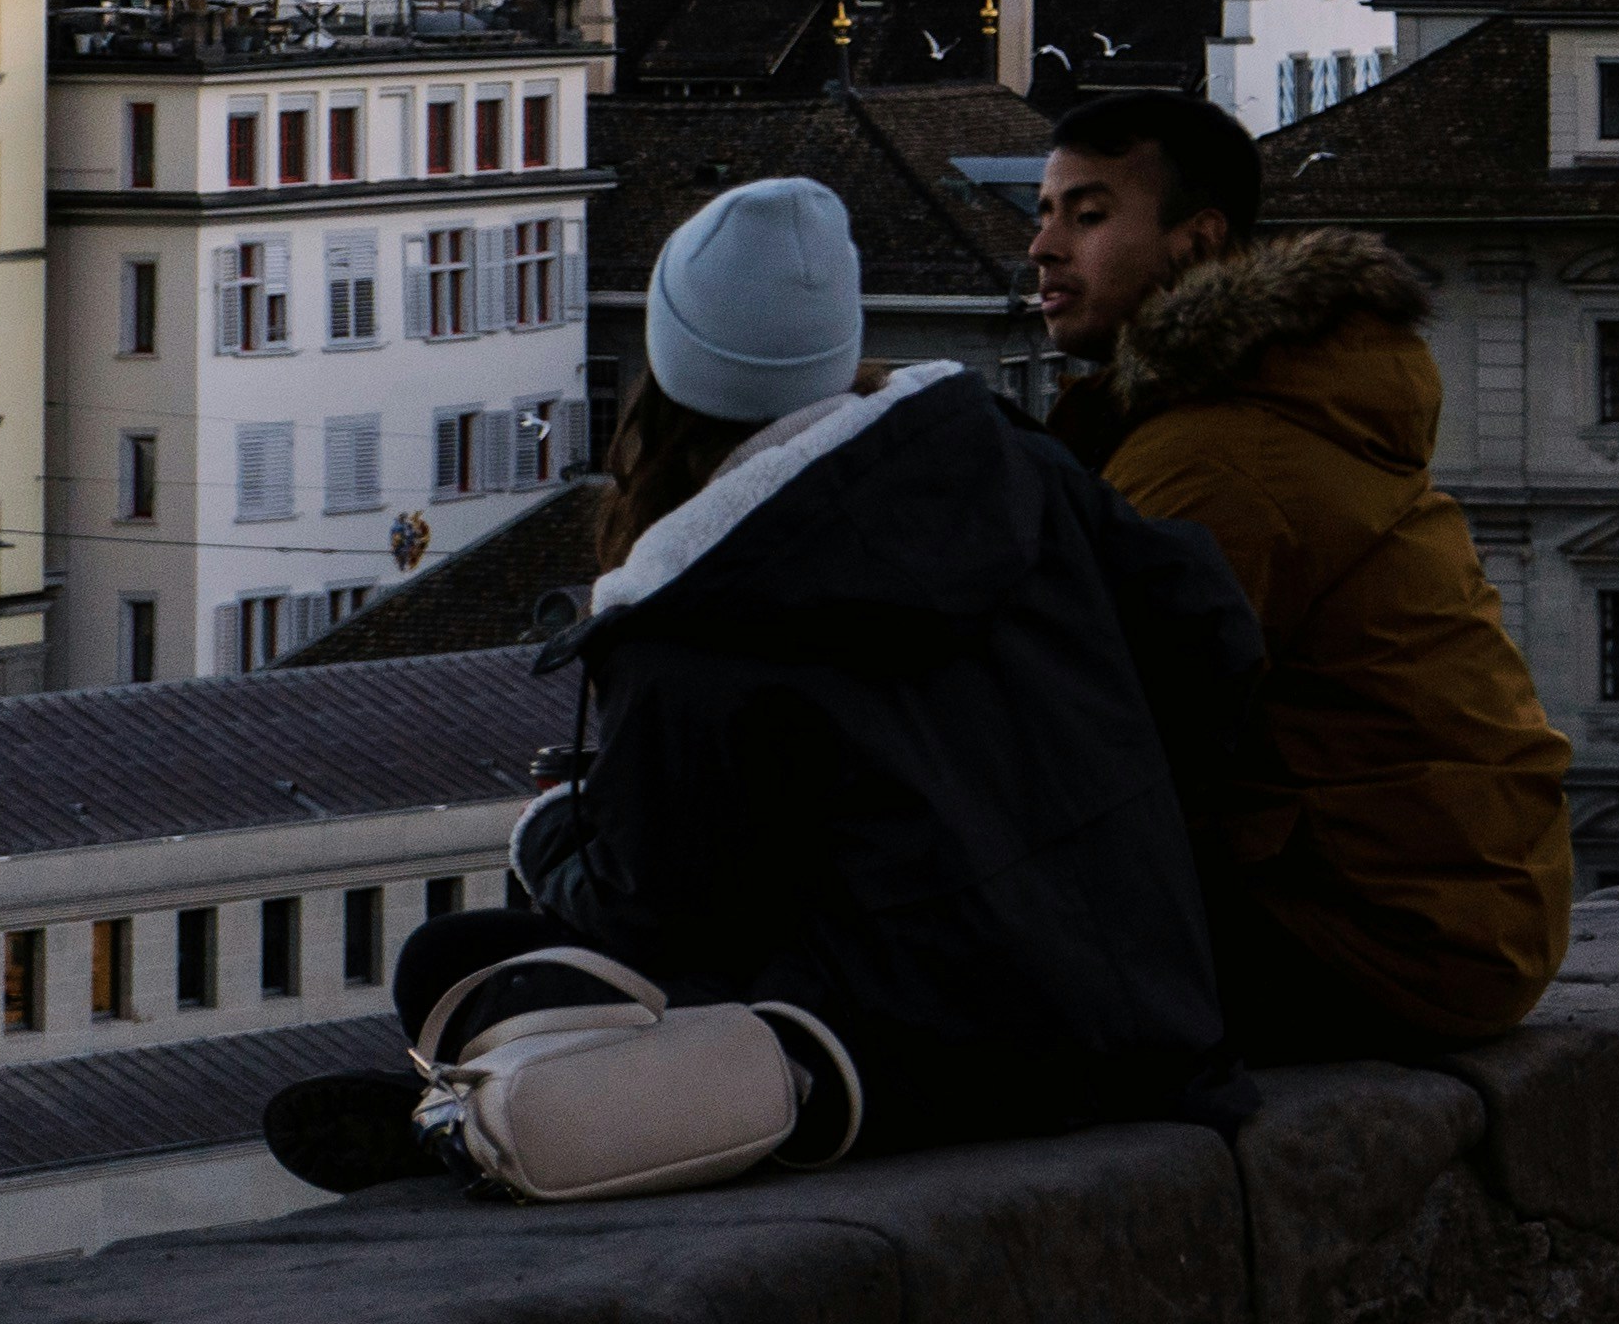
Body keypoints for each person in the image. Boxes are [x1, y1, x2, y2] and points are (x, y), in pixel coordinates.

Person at [265, 177, 1267, 1191]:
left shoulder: (699, 614)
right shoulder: (1019, 467)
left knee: (453, 961)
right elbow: (1214, 639)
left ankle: (496, 1119)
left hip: (916, 1060)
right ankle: (492, 1110)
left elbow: (655, 912)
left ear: (669, 374)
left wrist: (555, 831)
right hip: (1147, 1003)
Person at [1032, 88, 1573, 1056]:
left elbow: (1104, 734)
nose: (1044, 247)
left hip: (1386, 934)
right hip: (1461, 911)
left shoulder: (1213, 456)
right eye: (1044, 213)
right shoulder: (1262, 399)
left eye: (1089, 214)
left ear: (1196, 243)